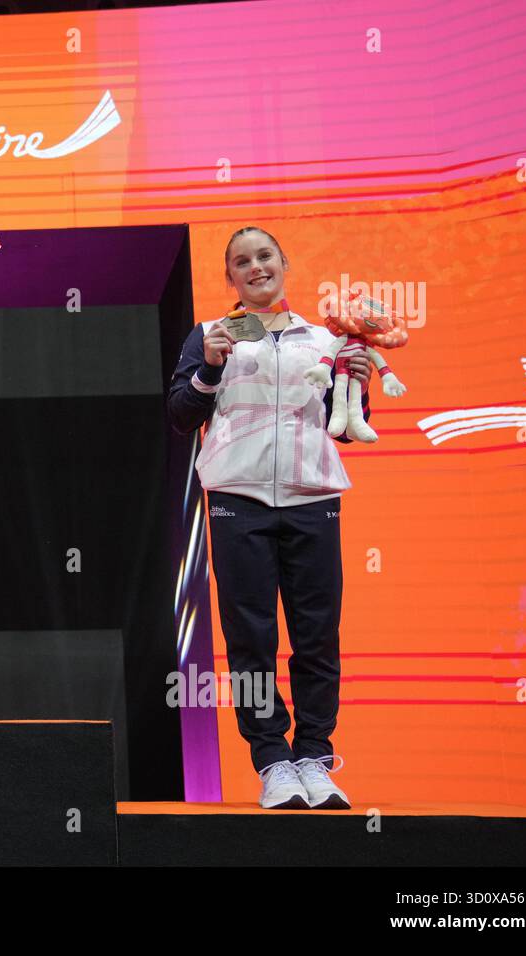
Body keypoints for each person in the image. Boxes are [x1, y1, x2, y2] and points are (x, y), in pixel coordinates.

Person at [167, 226, 370, 809]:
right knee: (250, 637)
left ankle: (314, 754)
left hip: (312, 498)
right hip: (238, 499)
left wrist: (355, 376)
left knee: (316, 635)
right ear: (229, 277)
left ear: (283, 264)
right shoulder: (213, 334)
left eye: (264, 257)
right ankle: (272, 761)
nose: (255, 267)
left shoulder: (321, 338)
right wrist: (207, 368)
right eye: (241, 262)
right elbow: (181, 415)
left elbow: (348, 421)